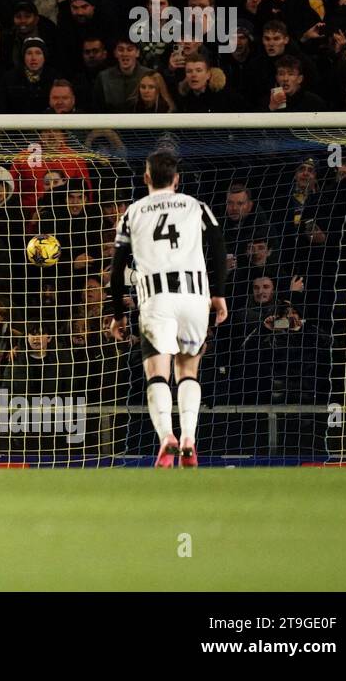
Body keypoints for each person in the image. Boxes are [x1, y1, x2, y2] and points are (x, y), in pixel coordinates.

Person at [107, 150, 228, 468]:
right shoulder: (195, 206)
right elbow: (218, 247)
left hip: (157, 299)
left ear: (146, 177)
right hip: (193, 298)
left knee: (157, 374)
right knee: (188, 370)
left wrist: (117, 313)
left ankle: (166, 437)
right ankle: (188, 435)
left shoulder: (132, 213)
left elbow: (117, 267)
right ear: (177, 179)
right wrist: (219, 295)